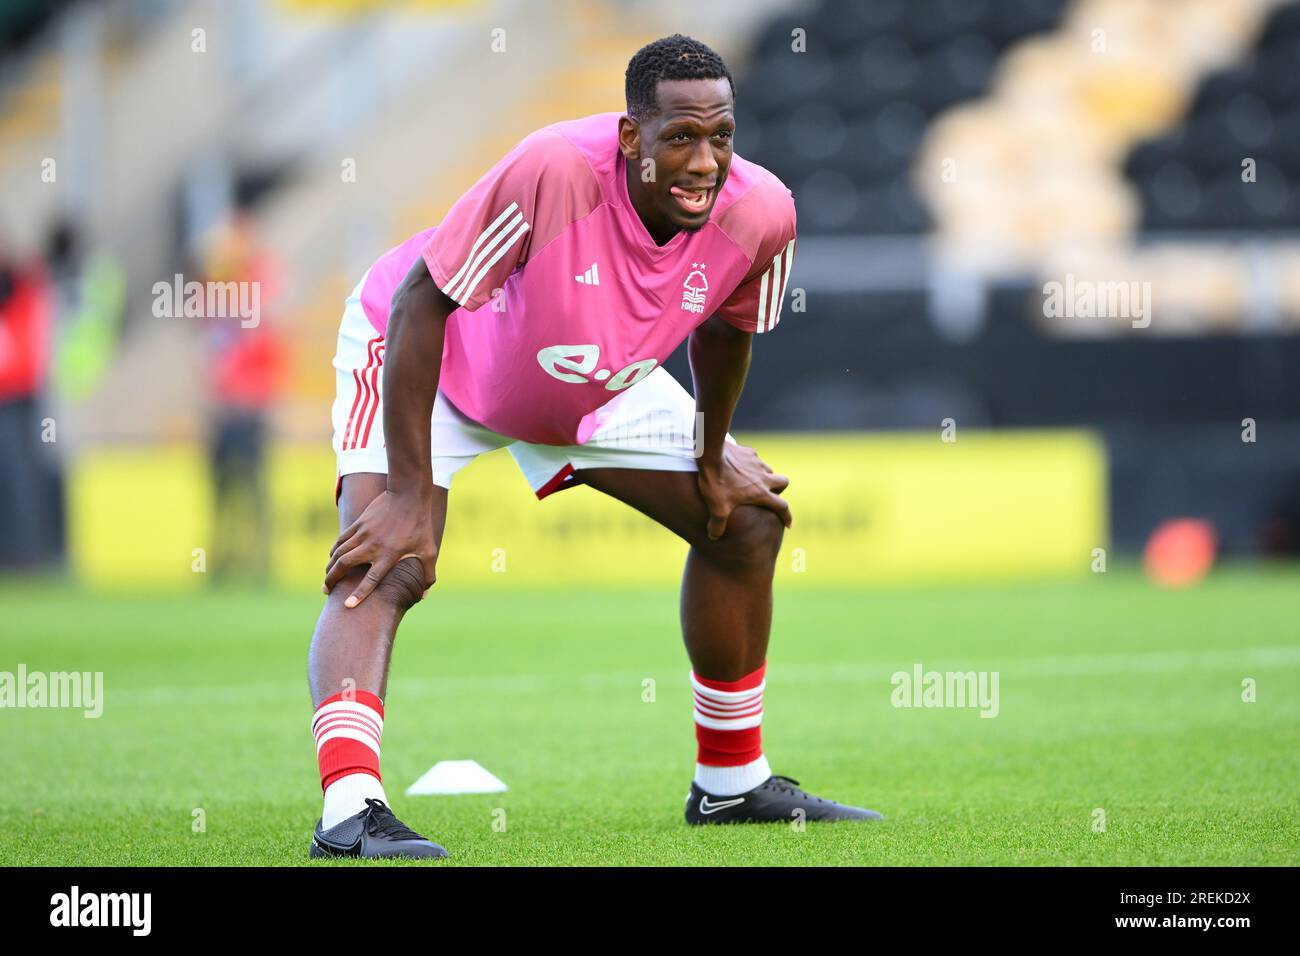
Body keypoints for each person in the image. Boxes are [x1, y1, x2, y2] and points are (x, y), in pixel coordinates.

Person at [308, 34, 881, 860]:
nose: (705, 161)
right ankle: (350, 810)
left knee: (748, 521)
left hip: (593, 380)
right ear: (629, 138)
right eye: (680, 138)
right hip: (438, 361)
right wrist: (404, 494)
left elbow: (725, 334)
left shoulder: (764, 212)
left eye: (721, 136)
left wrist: (713, 453)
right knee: (383, 564)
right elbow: (420, 302)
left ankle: (730, 783)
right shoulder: (555, 171)